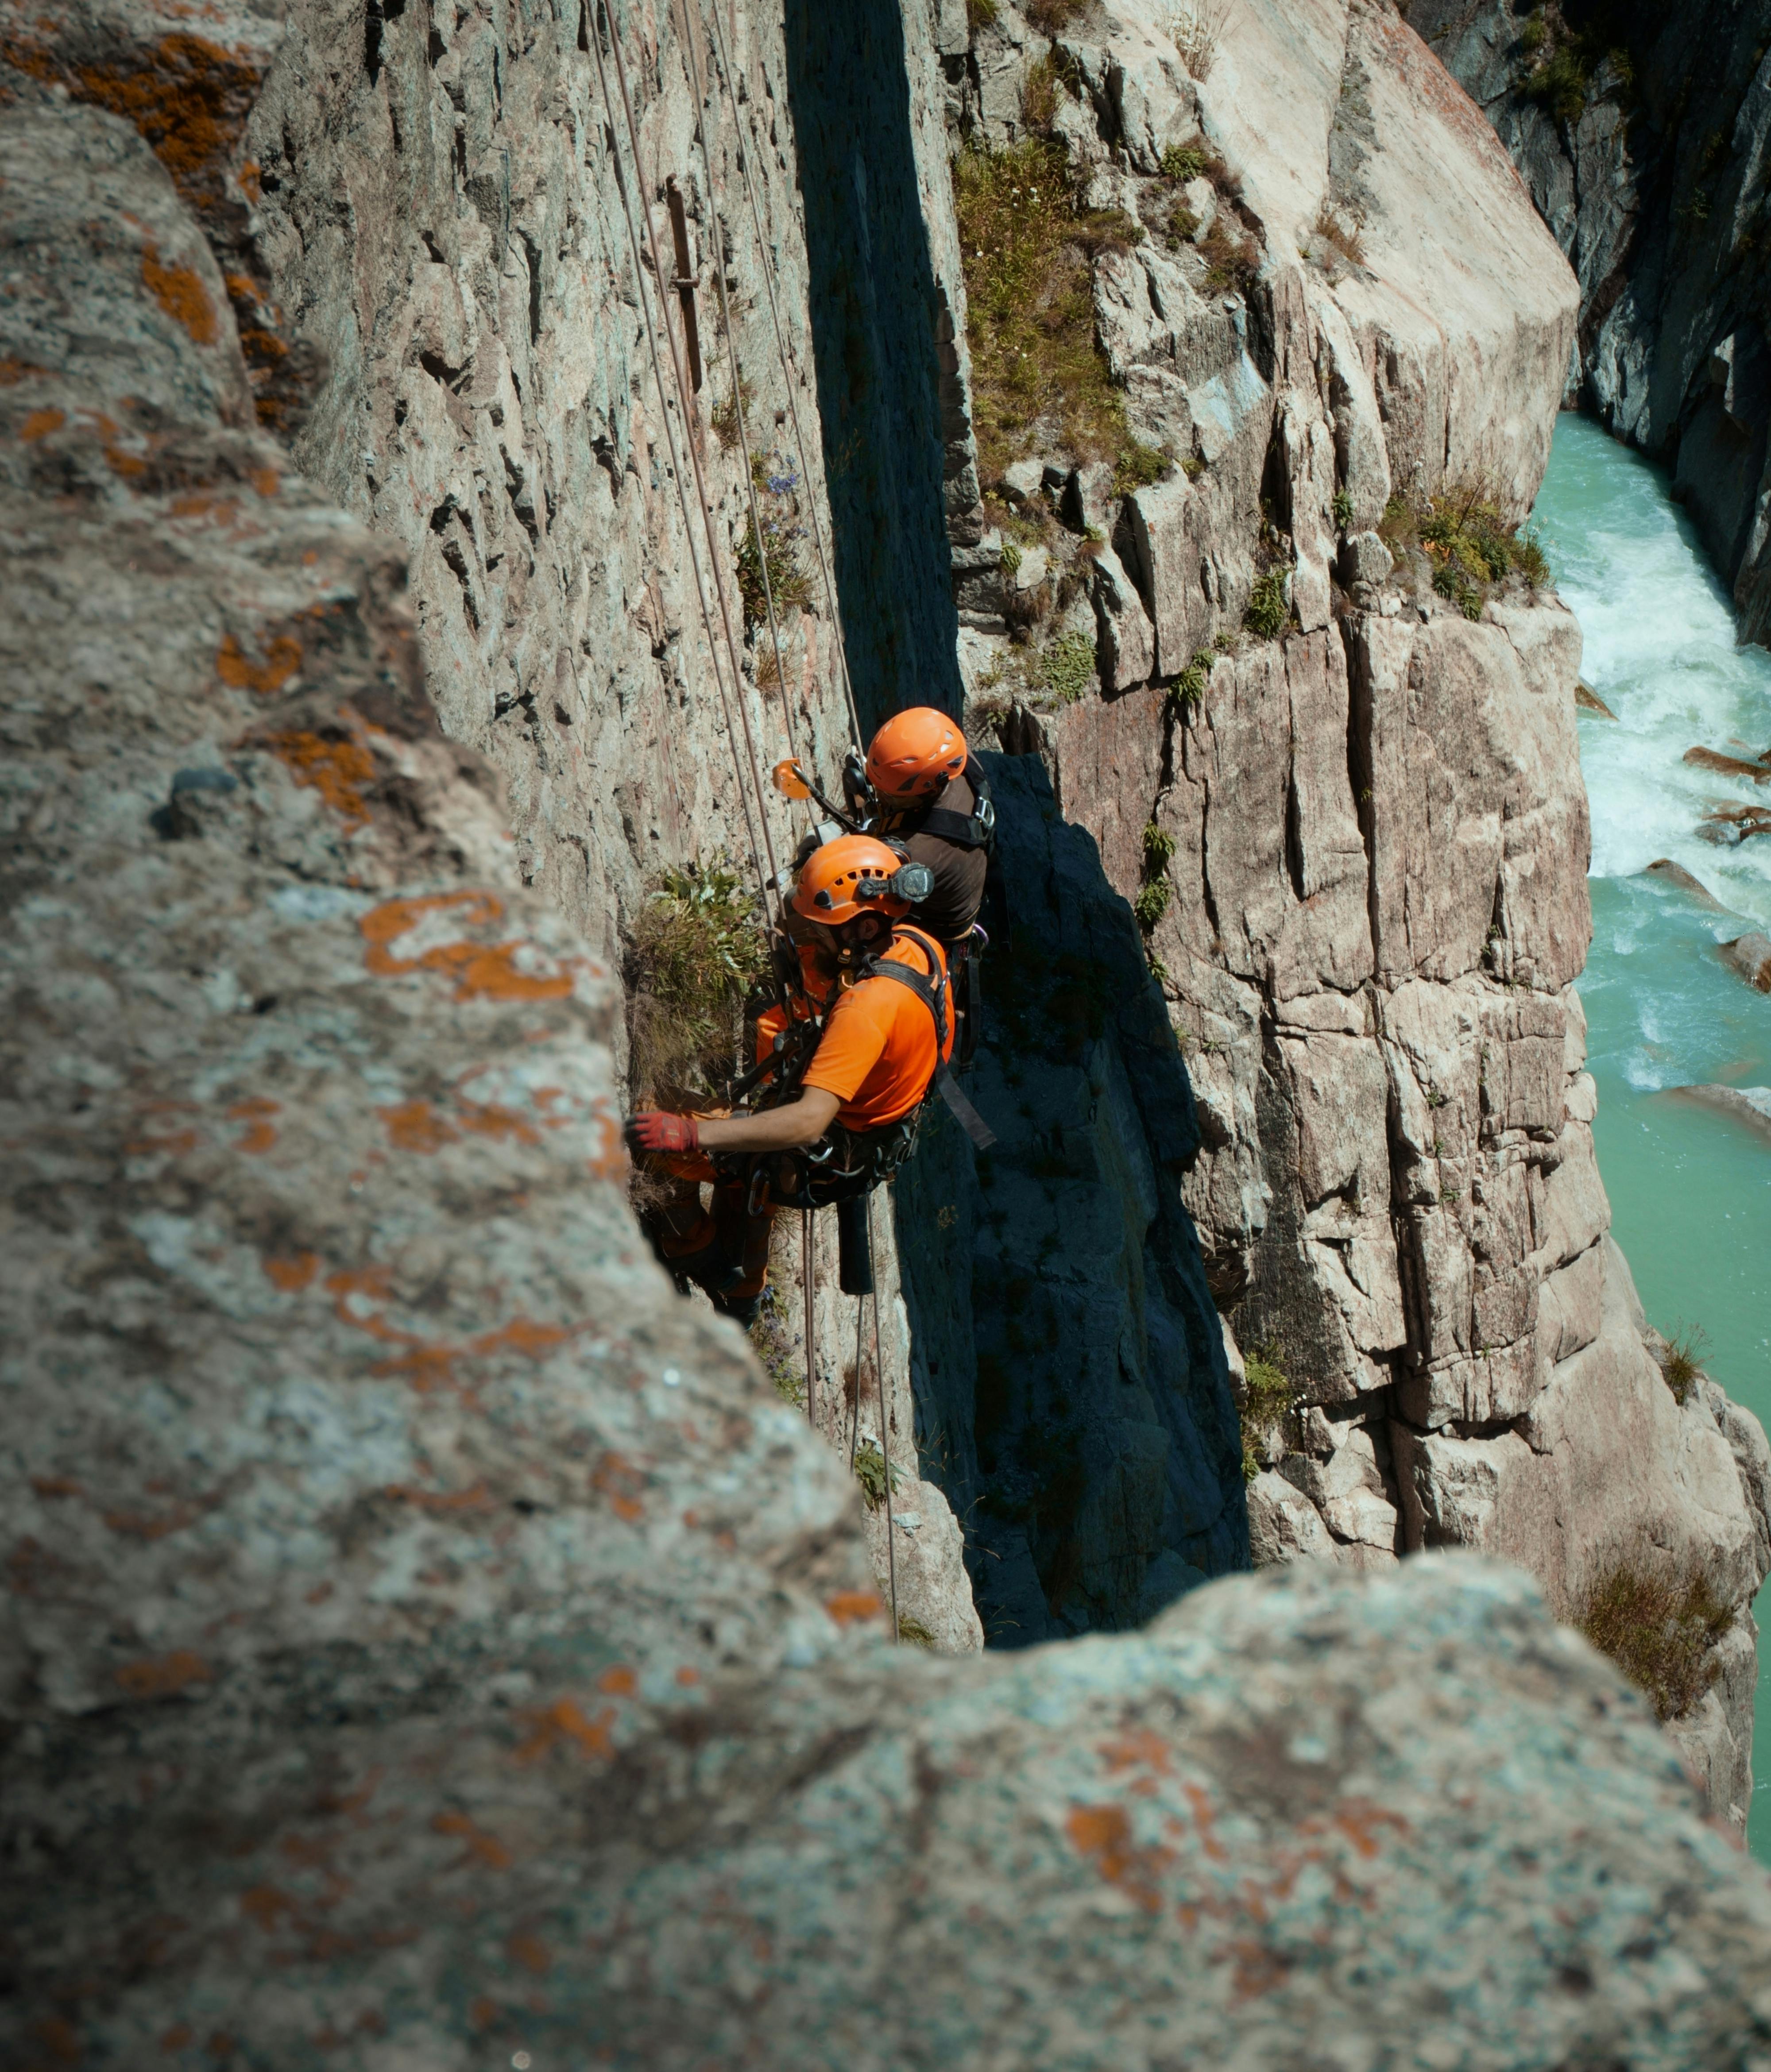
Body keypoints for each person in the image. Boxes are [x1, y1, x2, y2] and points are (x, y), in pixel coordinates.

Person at [626, 834, 953, 1323]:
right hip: (869, 1140)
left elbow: (806, 1122)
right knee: (752, 1144)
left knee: (658, 1117)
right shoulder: (920, 947)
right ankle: (745, 1291)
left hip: (820, 1151)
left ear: (862, 928)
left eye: (820, 931)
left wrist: (693, 1133)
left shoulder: (865, 1008)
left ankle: (694, 1252)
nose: (810, 937)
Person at [860, 706, 995, 948]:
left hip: (934, 928)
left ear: (931, 789)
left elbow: (860, 892)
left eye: (890, 796)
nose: (880, 797)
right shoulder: (958, 757)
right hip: (962, 892)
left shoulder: (917, 849)